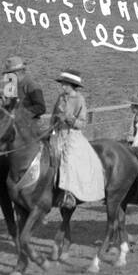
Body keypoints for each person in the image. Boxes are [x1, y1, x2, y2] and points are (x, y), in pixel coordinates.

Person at [49, 71, 104, 206]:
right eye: (62, 84)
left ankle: (69, 194)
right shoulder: (61, 97)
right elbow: (53, 115)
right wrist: (52, 126)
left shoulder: (79, 99)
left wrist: (69, 119)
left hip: (72, 136)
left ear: (72, 85)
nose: (62, 87)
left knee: (68, 160)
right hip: (57, 133)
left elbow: (82, 124)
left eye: (65, 84)